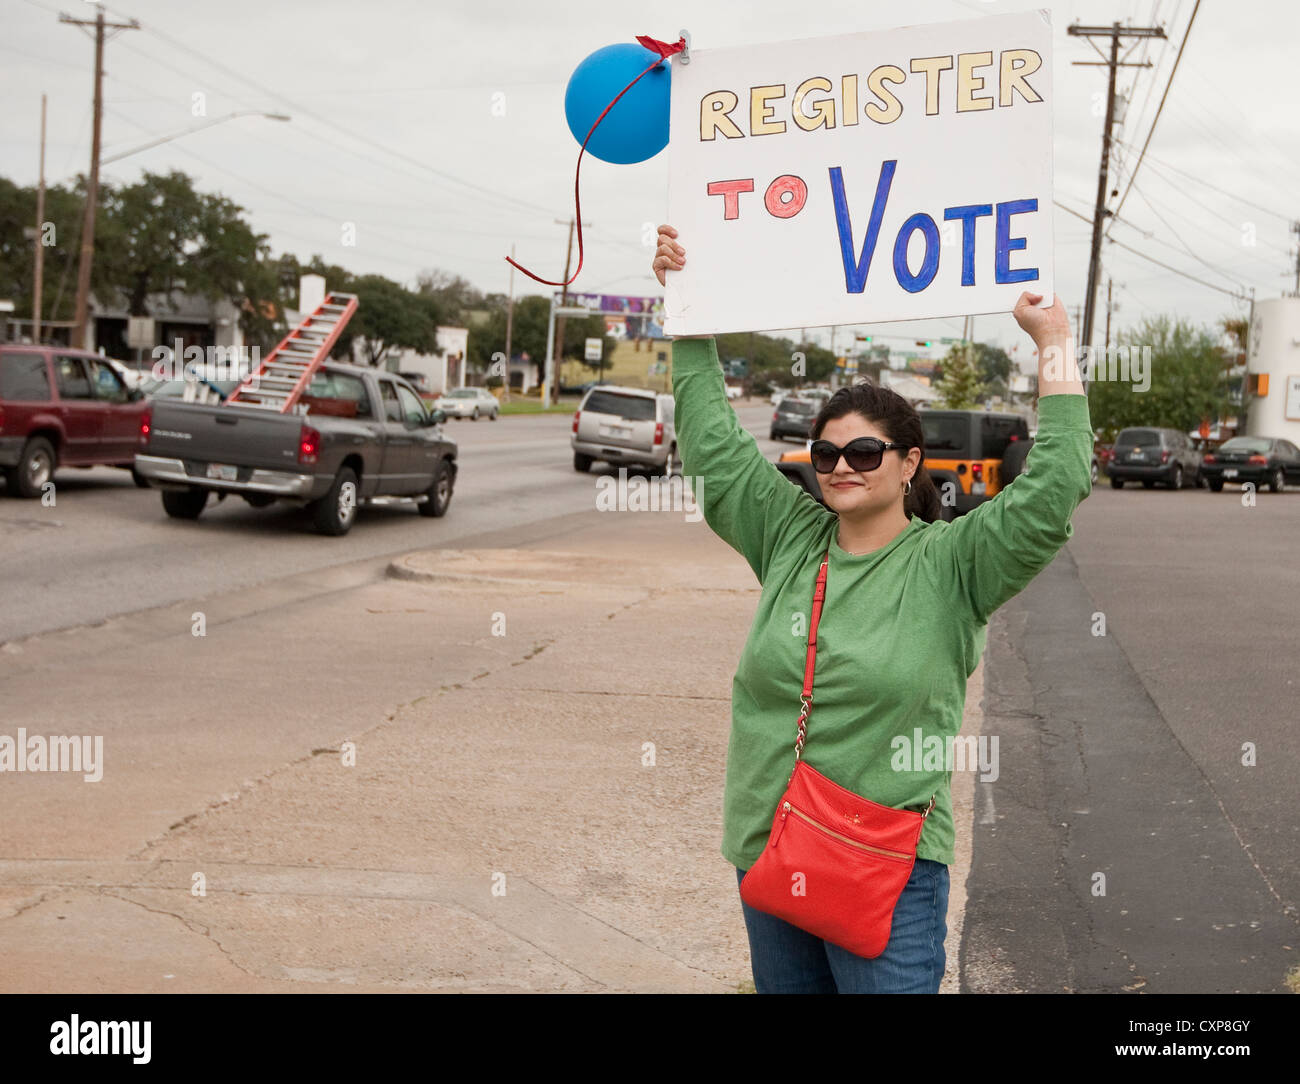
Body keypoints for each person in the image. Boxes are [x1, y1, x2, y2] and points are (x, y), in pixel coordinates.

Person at [652, 223, 1092, 994]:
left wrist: (1052, 340)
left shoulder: (954, 563)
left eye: (864, 454)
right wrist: (690, 310)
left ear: (909, 461)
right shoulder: (789, 537)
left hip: (885, 865)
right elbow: (715, 445)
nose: (841, 468)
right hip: (771, 850)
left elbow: (1052, 491)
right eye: (825, 454)